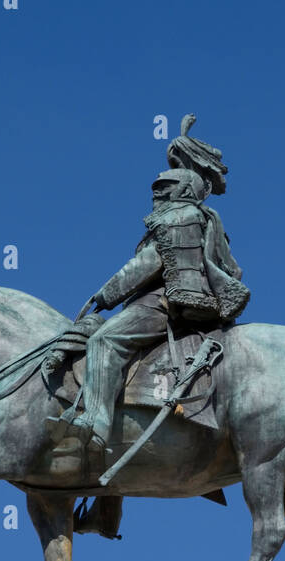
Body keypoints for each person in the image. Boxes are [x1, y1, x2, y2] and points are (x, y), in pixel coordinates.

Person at [51, 115, 250, 495]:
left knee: (103, 342)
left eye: (164, 187)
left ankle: (93, 422)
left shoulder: (174, 219)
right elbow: (233, 270)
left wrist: (102, 296)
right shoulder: (209, 220)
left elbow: (143, 267)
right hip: (193, 309)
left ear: (180, 190)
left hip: (160, 305)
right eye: (158, 188)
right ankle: (104, 507)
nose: (157, 194)